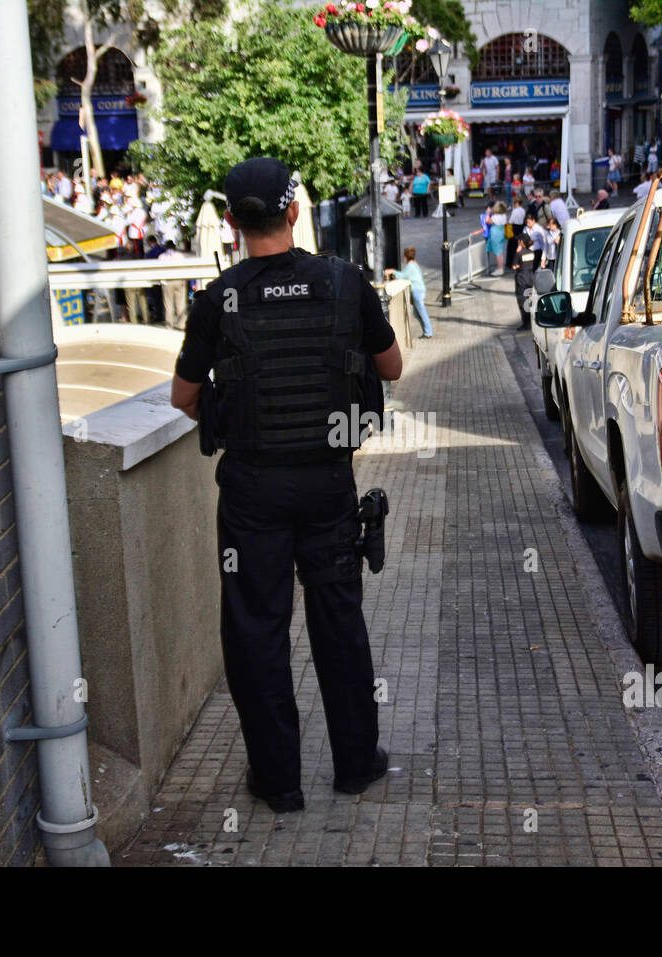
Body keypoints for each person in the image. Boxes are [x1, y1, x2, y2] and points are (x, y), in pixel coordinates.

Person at [170, 156, 402, 813]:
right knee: (339, 624)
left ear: (232, 221)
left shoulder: (219, 299)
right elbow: (392, 364)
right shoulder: (343, 281)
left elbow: (182, 396)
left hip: (251, 494)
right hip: (327, 484)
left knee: (256, 632)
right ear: (294, 212)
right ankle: (357, 765)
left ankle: (279, 782)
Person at [387, 245, 432, 338]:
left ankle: (428, 333)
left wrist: (392, 271)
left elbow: (403, 275)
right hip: (421, 290)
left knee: (422, 312)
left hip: (417, 291)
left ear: (405, 257)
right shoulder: (415, 264)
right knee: (416, 313)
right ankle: (426, 331)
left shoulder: (410, 266)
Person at [513, 234, 536, 331]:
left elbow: (514, 266)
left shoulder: (519, 253)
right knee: (530, 300)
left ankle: (526, 324)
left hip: (521, 278)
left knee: (522, 301)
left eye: (519, 241)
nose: (518, 242)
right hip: (530, 277)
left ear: (522, 242)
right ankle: (531, 322)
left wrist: (517, 252)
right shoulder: (531, 252)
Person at [487, 201, 508, 275]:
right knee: (500, 252)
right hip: (501, 233)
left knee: (497, 253)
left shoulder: (495, 217)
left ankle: (500, 269)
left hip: (495, 234)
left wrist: (488, 213)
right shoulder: (504, 216)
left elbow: (488, 221)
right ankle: (501, 267)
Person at [506, 194, 525, 270]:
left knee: (512, 247)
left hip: (515, 228)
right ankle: (519, 262)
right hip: (521, 228)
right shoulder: (523, 210)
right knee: (519, 245)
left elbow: (511, 220)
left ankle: (512, 263)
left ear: (516, 203)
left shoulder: (515, 211)